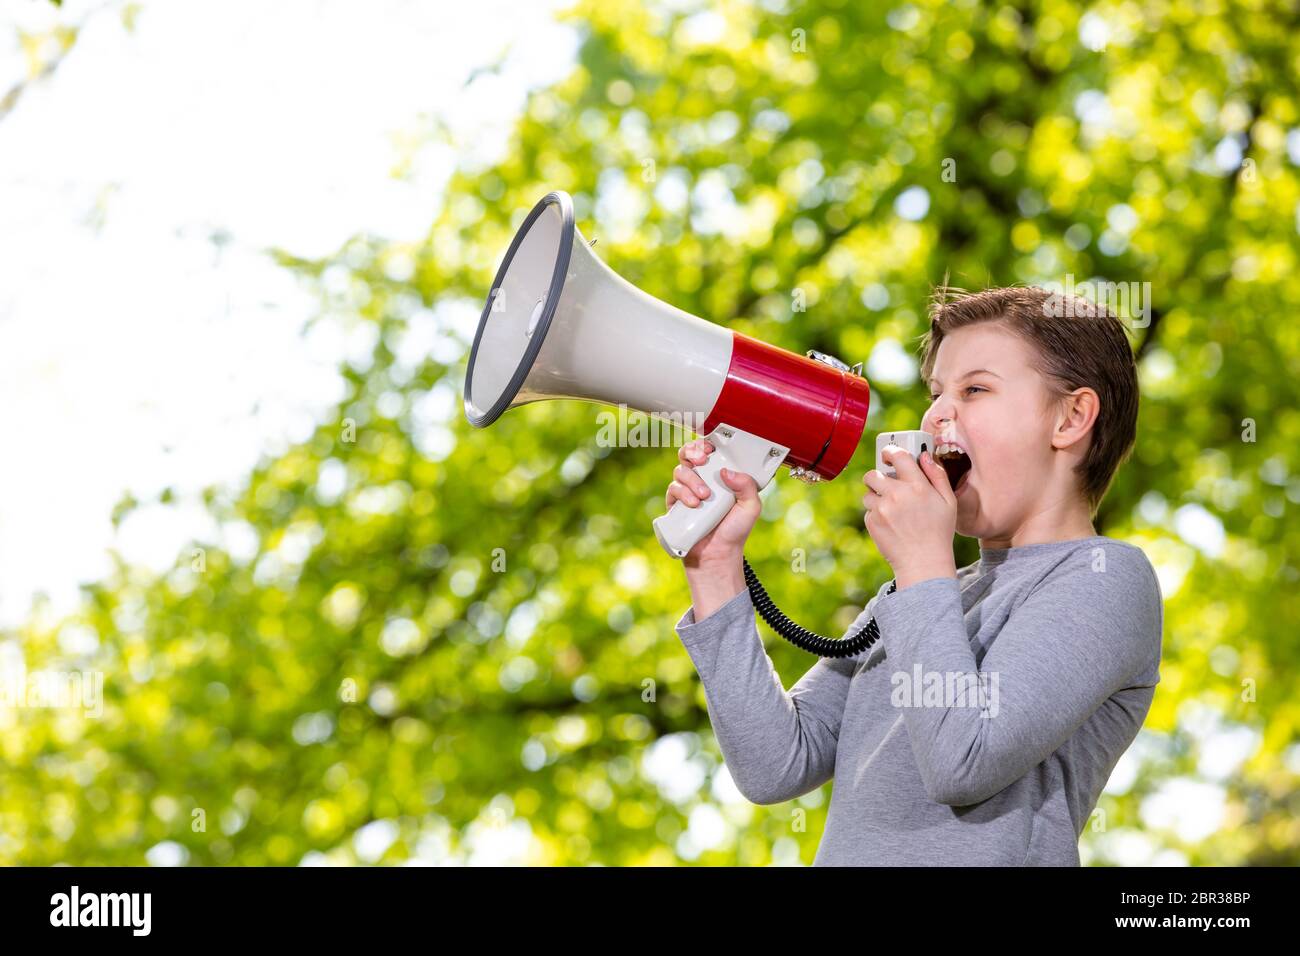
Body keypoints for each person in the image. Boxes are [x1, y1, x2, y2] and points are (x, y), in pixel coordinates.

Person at [668, 285, 1164, 866]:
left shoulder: (1106, 578)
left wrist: (923, 566)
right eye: (935, 393)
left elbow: (965, 760)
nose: (936, 413)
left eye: (975, 389)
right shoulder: (914, 596)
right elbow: (775, 764)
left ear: (1071, 417)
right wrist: (716, 568)